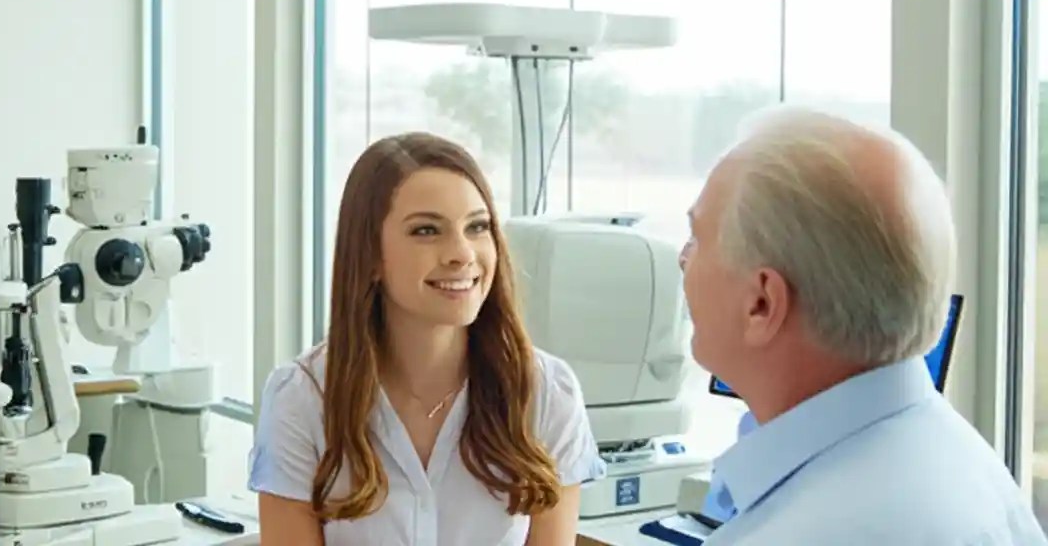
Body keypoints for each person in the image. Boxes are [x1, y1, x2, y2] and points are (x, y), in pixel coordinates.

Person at [681, 105, 1046, 545]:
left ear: (761, 304)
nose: (683, 258)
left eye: (697, 239)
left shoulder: (803, 532)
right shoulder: (961, 466)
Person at [247, 132, 605, 545]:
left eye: (477, 227)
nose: (462, 254)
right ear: (370, 255)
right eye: (426, 230)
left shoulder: (546, 392)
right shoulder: (302, 398)